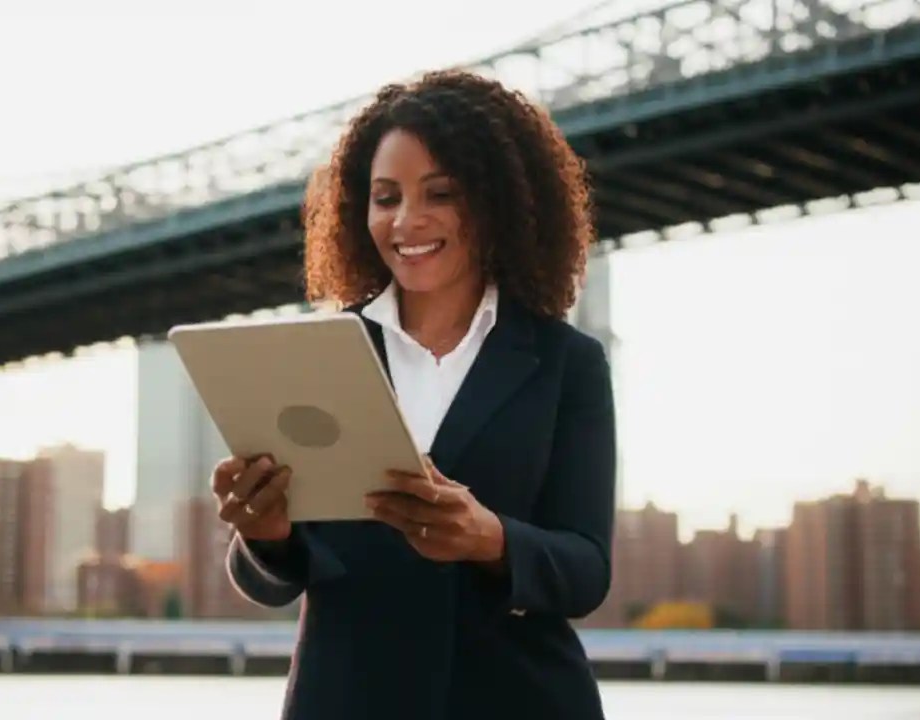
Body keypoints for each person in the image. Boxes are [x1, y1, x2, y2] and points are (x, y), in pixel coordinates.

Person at [211, 69, 616, 719]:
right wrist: (263, 536)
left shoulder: (567, 362)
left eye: (441, 193)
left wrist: (490, 538)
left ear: (497, 202)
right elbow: (271, 581)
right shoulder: (318, 356)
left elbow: (586, 570)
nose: (406, 221)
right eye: (385, 197)